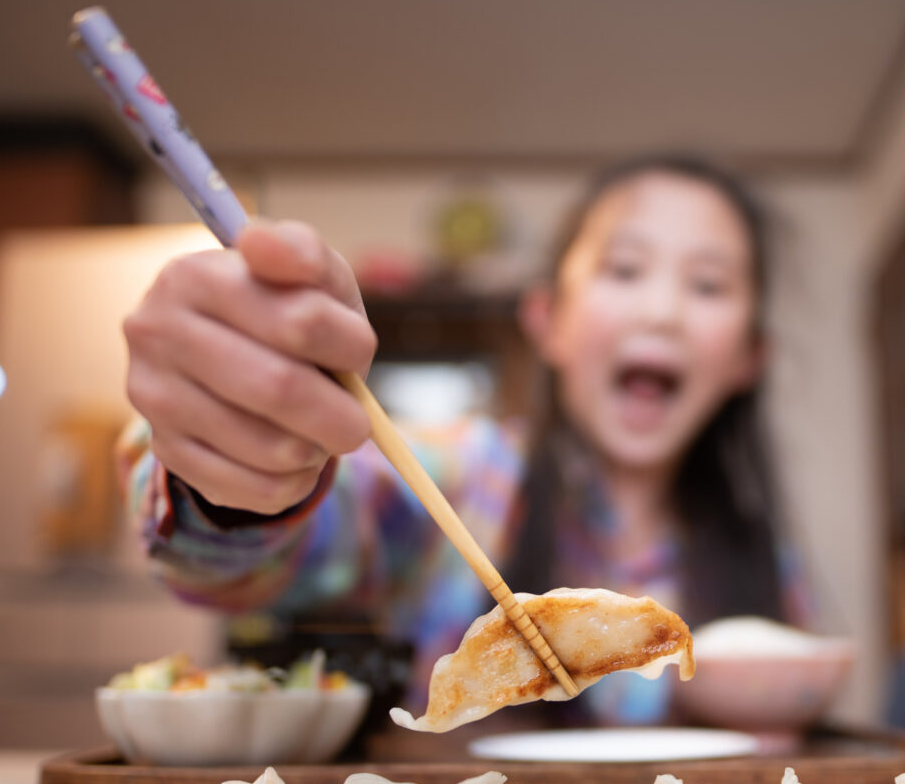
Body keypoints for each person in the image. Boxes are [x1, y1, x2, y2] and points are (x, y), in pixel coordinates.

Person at [118, 154, 813, 722]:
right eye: (625, 270)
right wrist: (243, 478)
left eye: (709, 285)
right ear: (548, 320)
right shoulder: (465, 475)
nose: (662, 312)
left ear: (750, 355)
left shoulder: (767, 566)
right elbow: (240, 564)